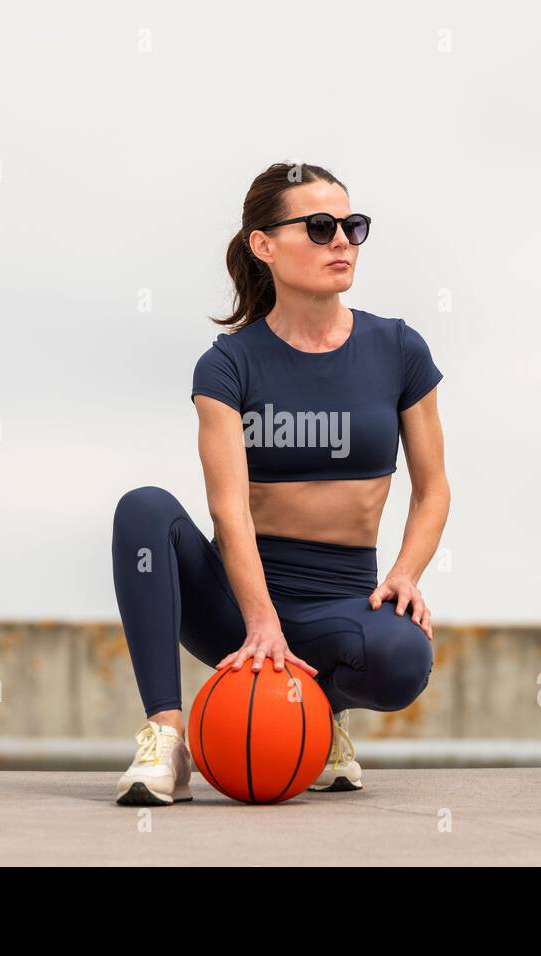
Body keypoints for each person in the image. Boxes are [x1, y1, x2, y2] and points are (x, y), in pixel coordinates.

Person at [112, 162, 449, 805]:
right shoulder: (228, 364)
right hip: (238, 605)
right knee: (144, 510)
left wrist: (406, 574)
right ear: (262, 246)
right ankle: (166, 739)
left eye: (352, 226)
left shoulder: (399, 350)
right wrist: (260, 620)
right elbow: (228, 507)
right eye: (320, 227)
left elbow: (434, 489)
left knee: (404, 661)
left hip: (343, 605)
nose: (342, 241)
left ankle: (320, 717)